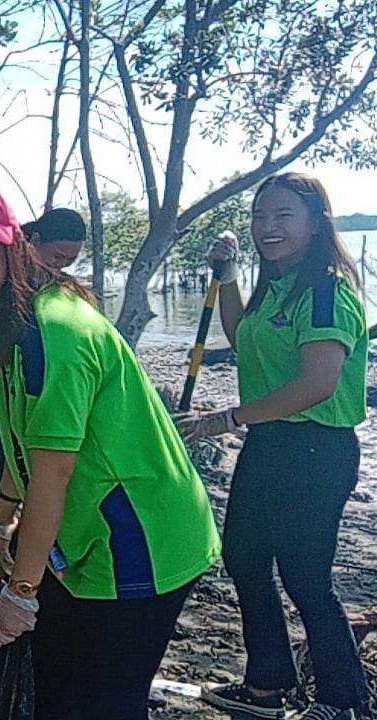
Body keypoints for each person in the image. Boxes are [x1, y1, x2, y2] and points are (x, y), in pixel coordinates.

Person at [0, 185, 220, 719]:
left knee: (104, 702)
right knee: (55, 684)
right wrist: (1, 518)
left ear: (12, 245)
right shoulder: (4, 328)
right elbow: (21, 444)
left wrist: (21, 591)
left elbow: (53, 475)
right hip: (84, 534)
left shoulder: (54, 331)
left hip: (141, 536)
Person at [181, 174, 368, 720]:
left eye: (284, 216)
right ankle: (267, 683)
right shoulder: (278, 284)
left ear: (317, 222)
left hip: (317, 450)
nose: (268, 227)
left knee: (305, 576)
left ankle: (343, 701)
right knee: (244, 557)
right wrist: (229, 278)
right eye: (260, 216)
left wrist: (226, 419)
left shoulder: (327, 291)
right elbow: (244, 337)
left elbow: (318, 384)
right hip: (269, 443)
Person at [0, 207, 86, 561]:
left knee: (41, 482)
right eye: (57, 257)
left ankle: (32, 558)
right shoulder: (4, 277)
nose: (61, 267)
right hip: (0, 392)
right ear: (33, 241)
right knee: (1, 478)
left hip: (42, 396)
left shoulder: (56, 291)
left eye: (70, 261)